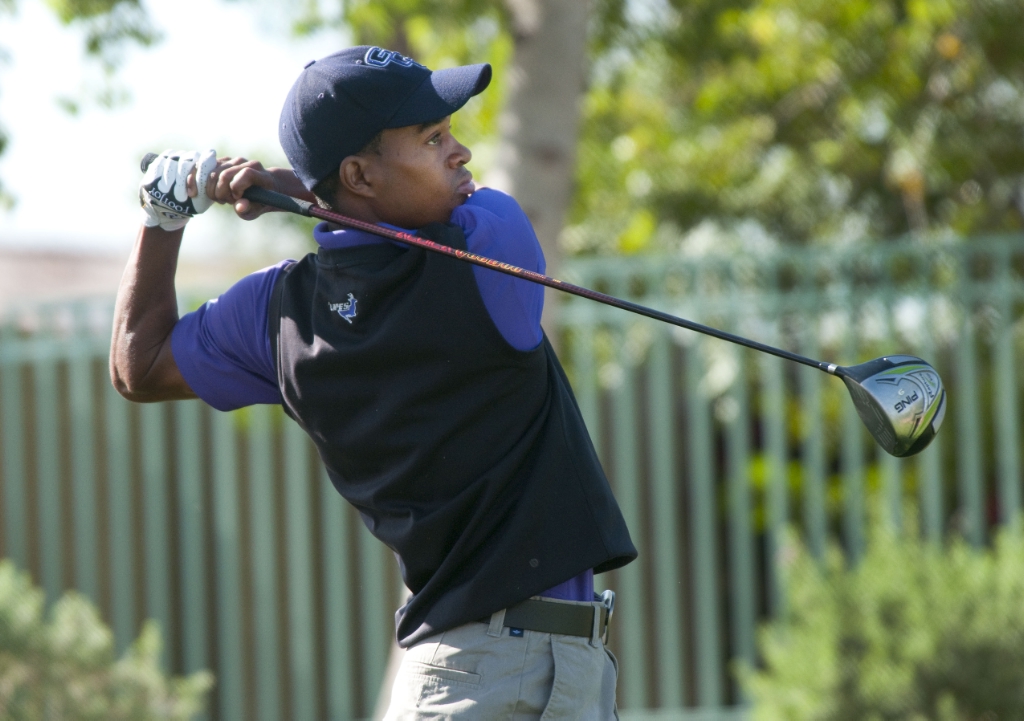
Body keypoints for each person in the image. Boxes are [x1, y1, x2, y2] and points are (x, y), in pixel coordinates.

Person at [112, 45, 636, 719]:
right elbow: (426, 218)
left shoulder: (276, 315)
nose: (461, 153)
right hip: (507, 675)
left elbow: (139, 363)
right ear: (359, 172)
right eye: (432, 137)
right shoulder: (491, 249)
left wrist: (164, 215)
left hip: (478, 674)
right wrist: (290, 187)